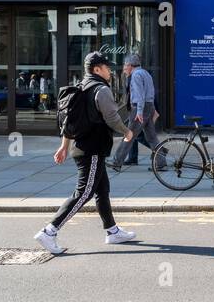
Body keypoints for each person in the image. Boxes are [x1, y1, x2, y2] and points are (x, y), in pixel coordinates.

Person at [34, 52, 137, 255]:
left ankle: (112, 231)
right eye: (107, 67)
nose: (110, 71)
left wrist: (64, 146)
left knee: (102, 189)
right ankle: (49, 231)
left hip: (82, 147)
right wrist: (127, 131)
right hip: (93, 149)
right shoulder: (101, 90)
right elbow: (112, 116)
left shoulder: (81, 88)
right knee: (84, 192)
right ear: (96, 69)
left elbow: (69, 123)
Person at [110, 52, 165, 171]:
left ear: (130, 65)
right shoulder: (145, 73)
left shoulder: (135, 75)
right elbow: (150, 93)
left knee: (129, 135)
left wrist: (139, 112)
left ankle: (116, 162)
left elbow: (140, 96)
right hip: (148, 107)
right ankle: (160, 162)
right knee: (151, 137)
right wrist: (152, 110)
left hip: (140, 108)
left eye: (125, 65)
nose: (124, 68)